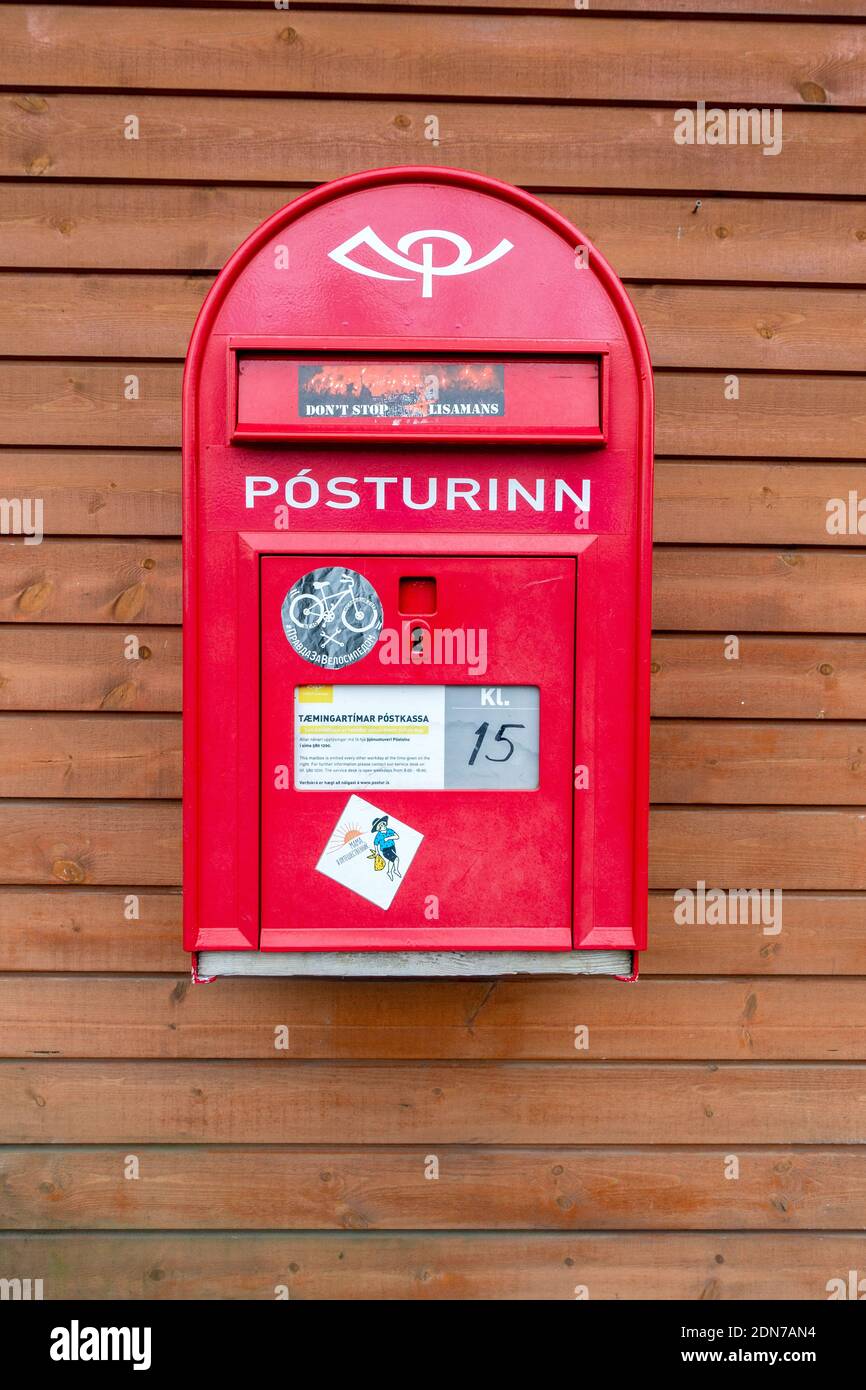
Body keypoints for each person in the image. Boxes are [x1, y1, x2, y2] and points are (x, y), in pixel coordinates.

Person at [371, 815, 401, 881]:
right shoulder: (378, 835)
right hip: (385, 850)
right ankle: (395, 870)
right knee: (396, 859)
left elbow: (397, 836)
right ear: (378, 828)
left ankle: (389, 872)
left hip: (392, 847)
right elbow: (375, 843)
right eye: (380, 825)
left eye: (383, 824)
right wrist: (376, 851)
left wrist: (388, 838)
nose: (382, 826)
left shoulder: (390, 830)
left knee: (391, 860)